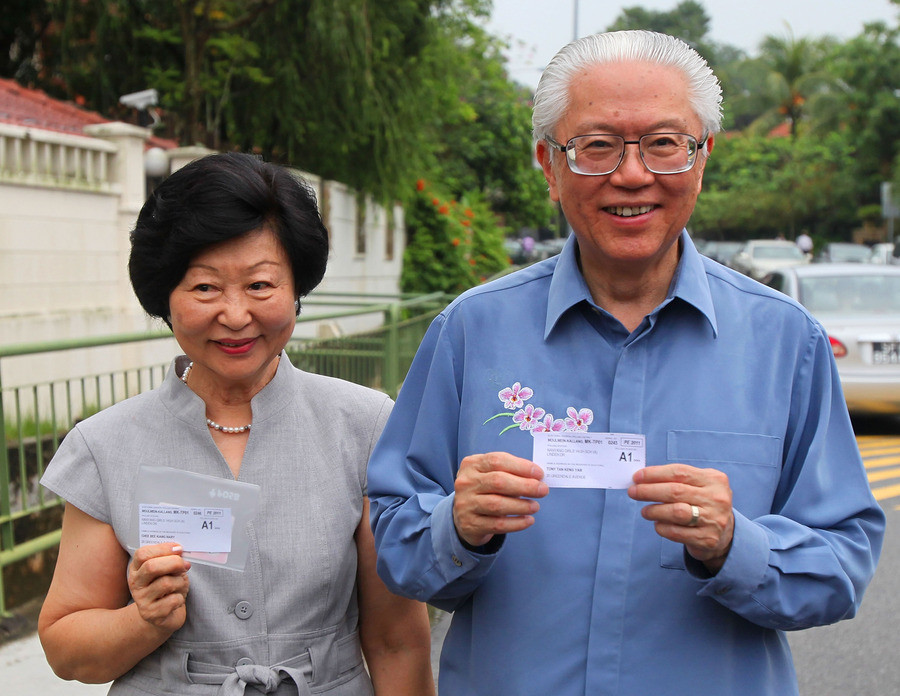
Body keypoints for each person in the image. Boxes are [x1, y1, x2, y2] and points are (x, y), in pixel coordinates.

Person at [366, 30, 885, 696]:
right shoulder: (470, 332)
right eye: (597, 146)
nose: (632, 173)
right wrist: (458, 527)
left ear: (703, 159)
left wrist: (736, 544)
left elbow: (841, 567)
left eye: (664, 143)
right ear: (550, 167)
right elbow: (396, 544)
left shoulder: (787, 343)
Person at [38, 152, 435, 695]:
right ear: (166, 301)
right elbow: (67, 649)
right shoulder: (105, 445)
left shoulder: (364, 426)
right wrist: (144, 619)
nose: (234, 314)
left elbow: (396, 639)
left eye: (260, 285)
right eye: (204, 288)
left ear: (296, 290)